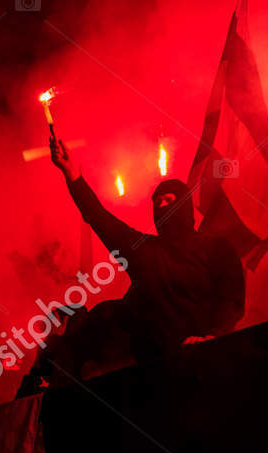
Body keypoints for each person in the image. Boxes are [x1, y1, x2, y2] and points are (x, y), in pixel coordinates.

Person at [50, 137, 244, 362]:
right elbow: (100, 219)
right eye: (157, 202)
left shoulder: (216, 248)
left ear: (183, 205)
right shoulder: (143, 251)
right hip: (157, 369)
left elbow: (232, 298)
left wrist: (214, 336)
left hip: (209, 359)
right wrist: (73, 176)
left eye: (168, 201)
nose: (161, 207)